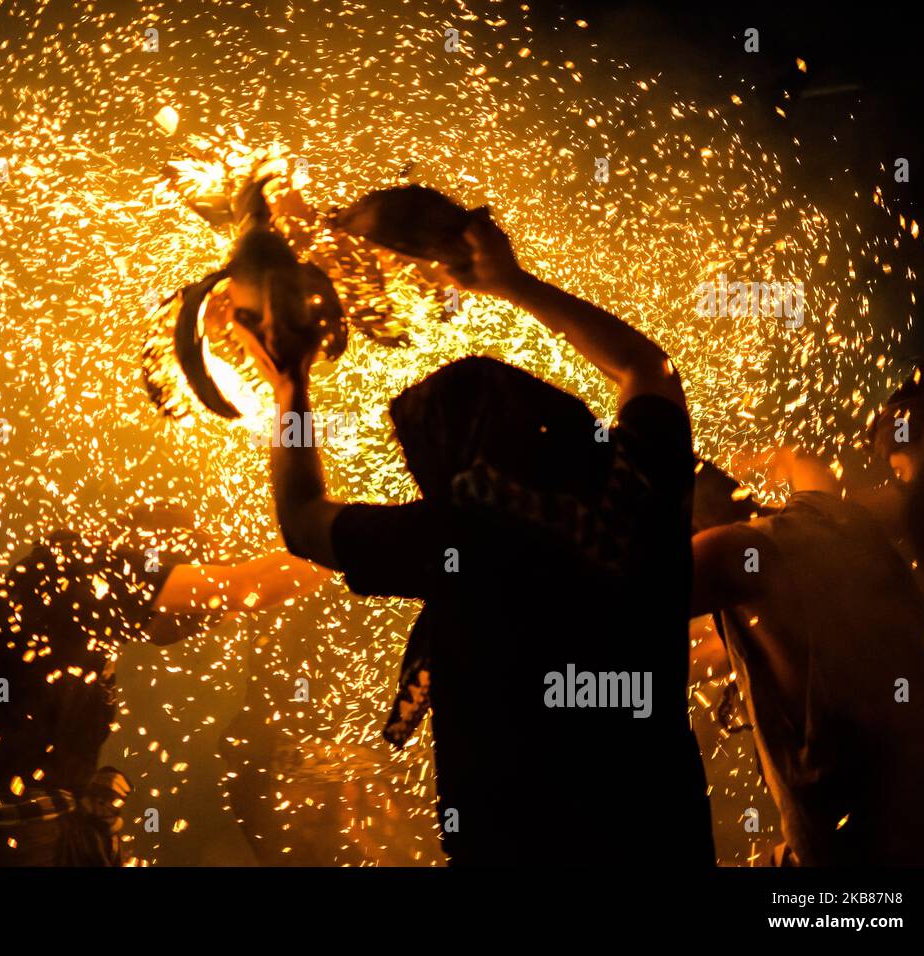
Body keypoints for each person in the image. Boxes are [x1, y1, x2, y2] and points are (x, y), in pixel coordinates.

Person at [248, 212, 715, 865]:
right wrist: (513, 282)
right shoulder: (635, 497)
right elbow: (648, 367)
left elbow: (301, 518)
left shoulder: (465, 540)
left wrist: (290, 382)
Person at [0, 502, 329, 866]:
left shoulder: (72, 573)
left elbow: (179, 620)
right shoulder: (107, 569)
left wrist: (224, 600)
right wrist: (339, 542)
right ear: (159, 555)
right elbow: (251, 586)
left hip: (6, 825)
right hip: (24, 839)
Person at [691, 362, 924, 865]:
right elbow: (811, 476)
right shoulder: (825, 522)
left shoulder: (745, 551)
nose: (903, 492)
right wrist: (785, 456)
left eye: (903, 473)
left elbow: (621, 596)